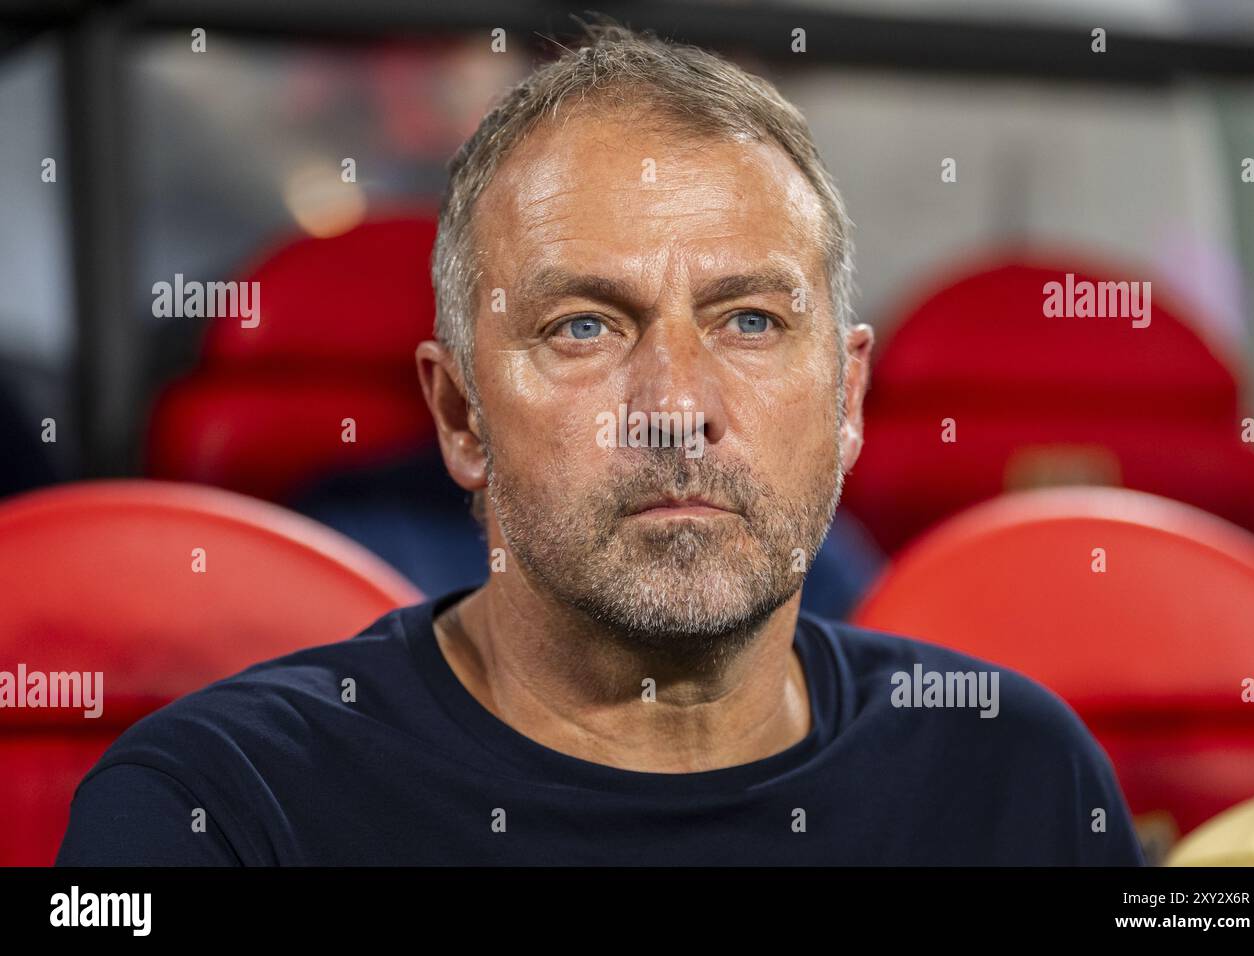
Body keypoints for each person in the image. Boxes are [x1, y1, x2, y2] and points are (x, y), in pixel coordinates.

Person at [57, 20, 1143, 866]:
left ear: (847, 394)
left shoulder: (1017, 776)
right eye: (584, 325)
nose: (675, 403)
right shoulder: (221, 811)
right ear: (461, 416)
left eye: (750, 321)